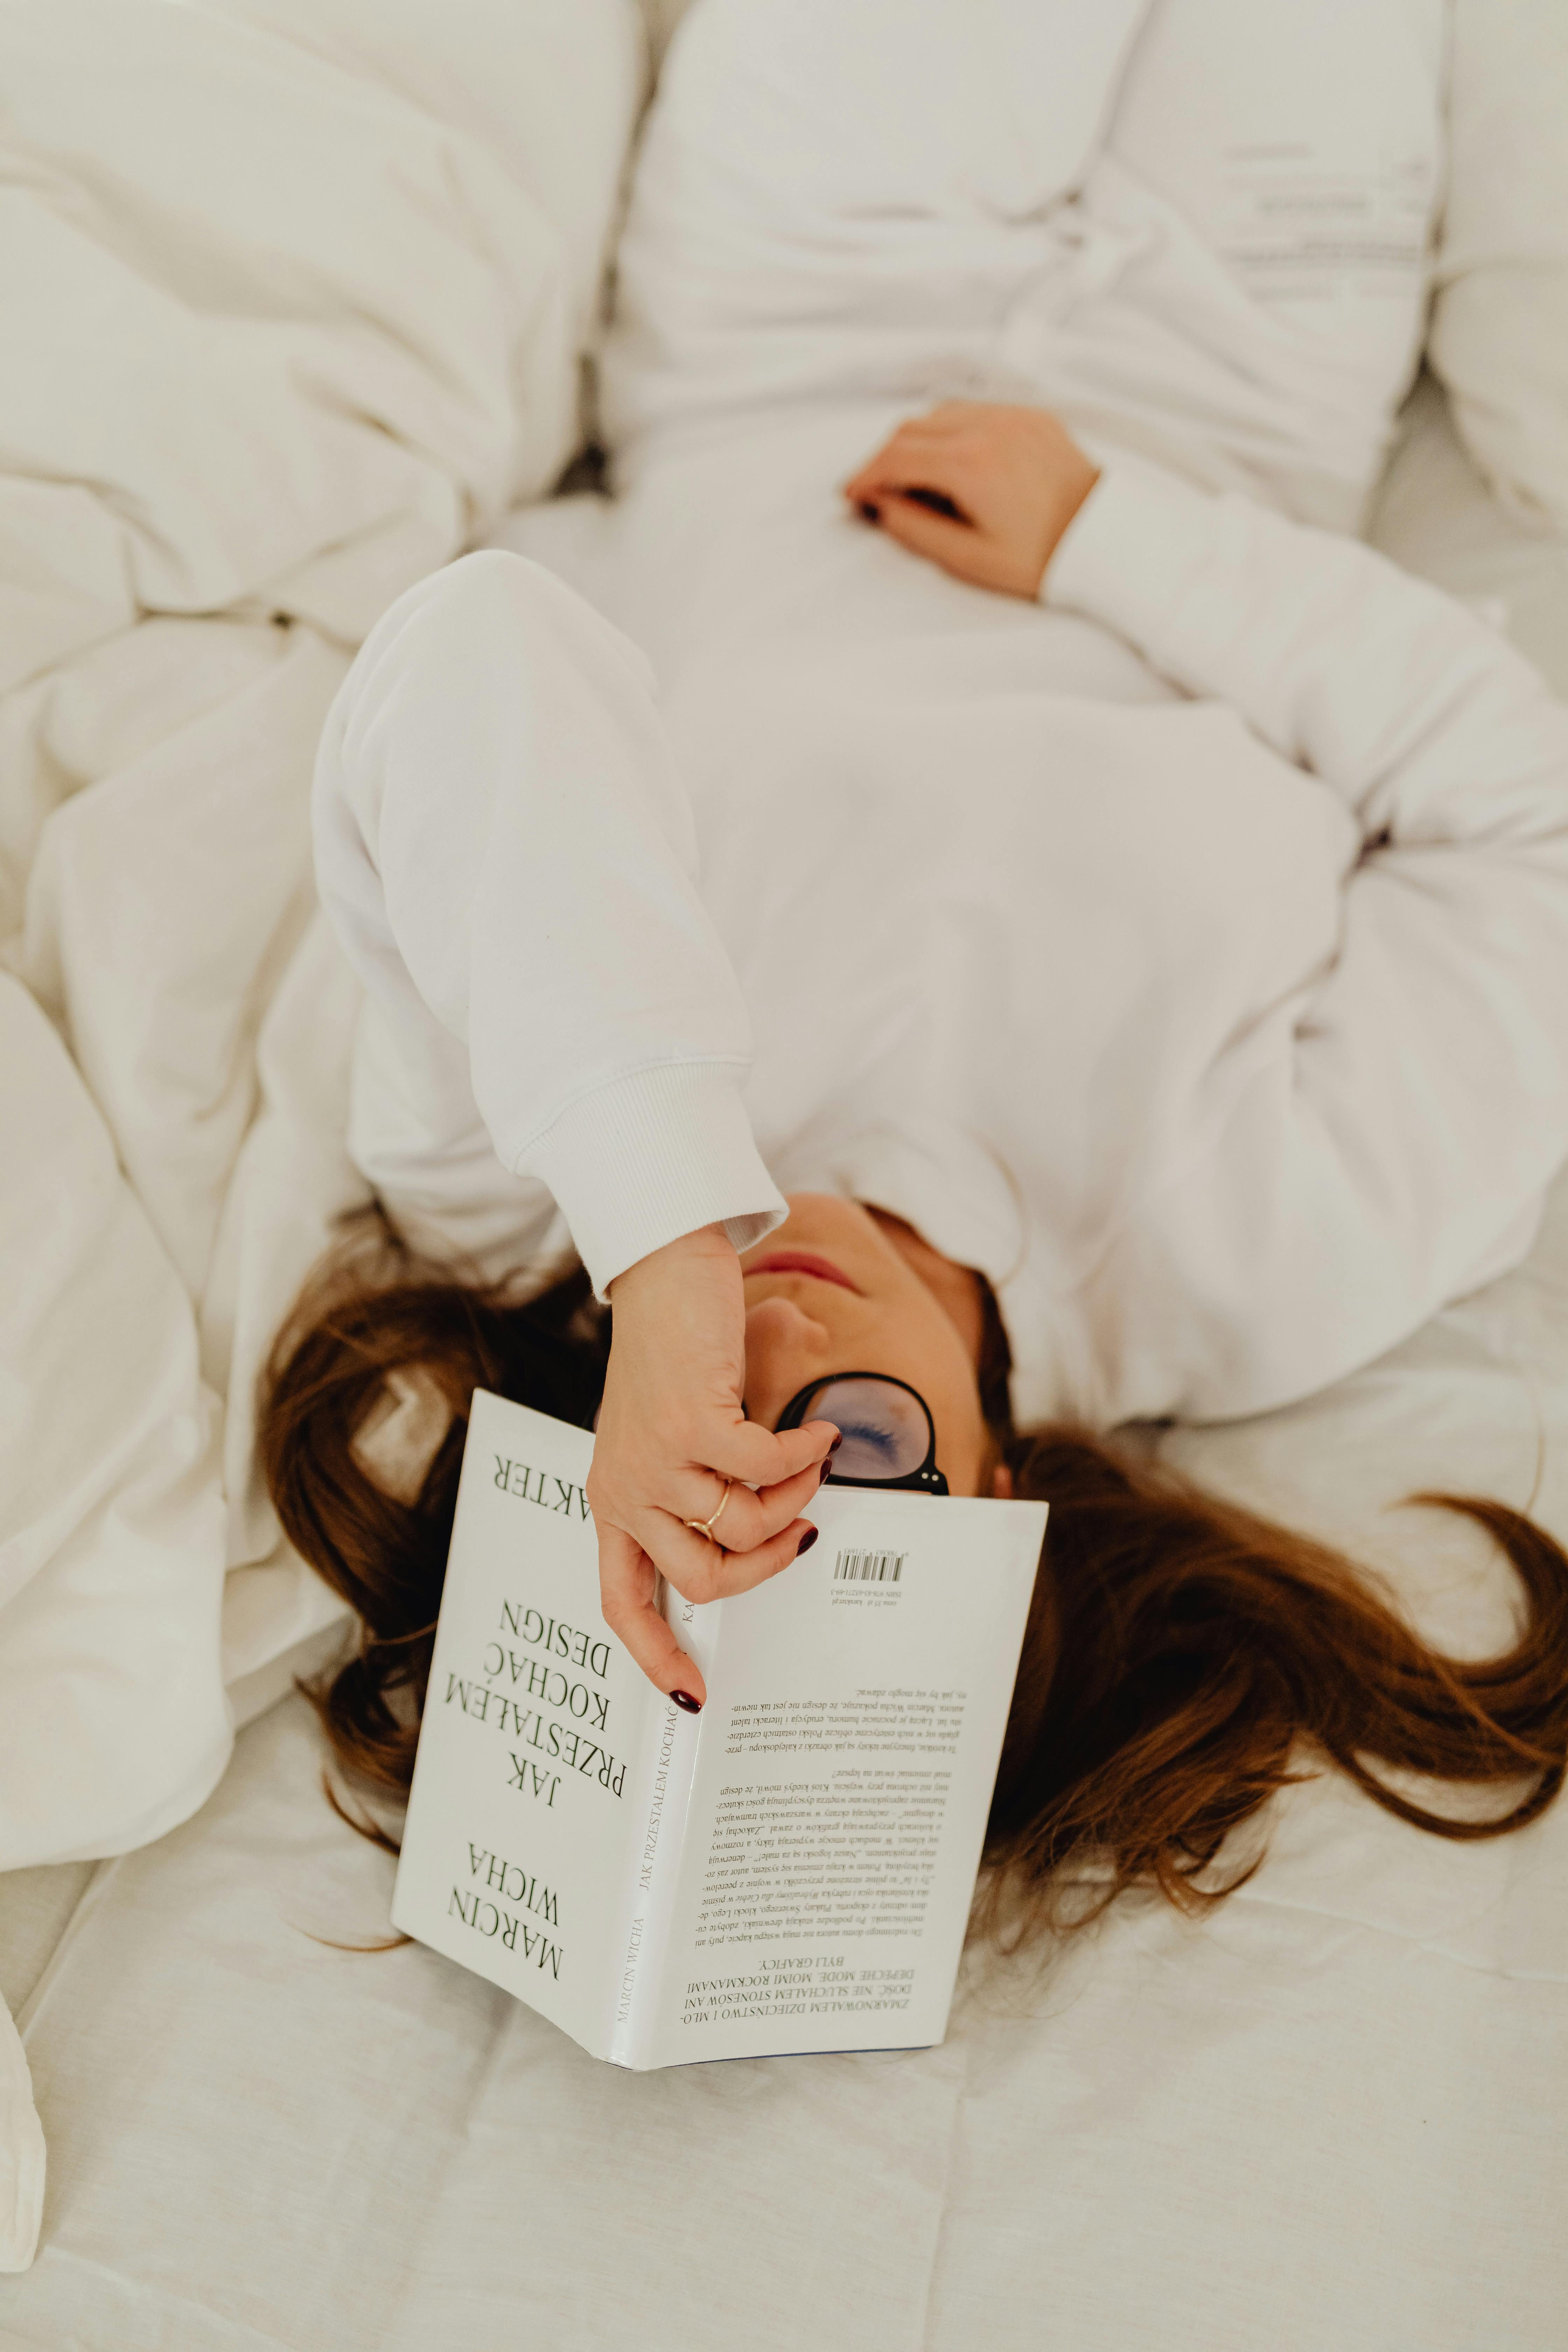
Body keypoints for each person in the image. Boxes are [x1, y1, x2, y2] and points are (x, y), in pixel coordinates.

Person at [264, 401, 1568, 1932]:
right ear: (1005, 1502)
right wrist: (1108, 533)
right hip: (1211, 398)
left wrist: (663, 1243)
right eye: (858, 1450)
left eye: (698, 1447)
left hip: (776, 365)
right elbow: (1525, 828)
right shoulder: (1260, 1264)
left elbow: (472, 643)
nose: (770, 1336)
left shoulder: (526, 1178)